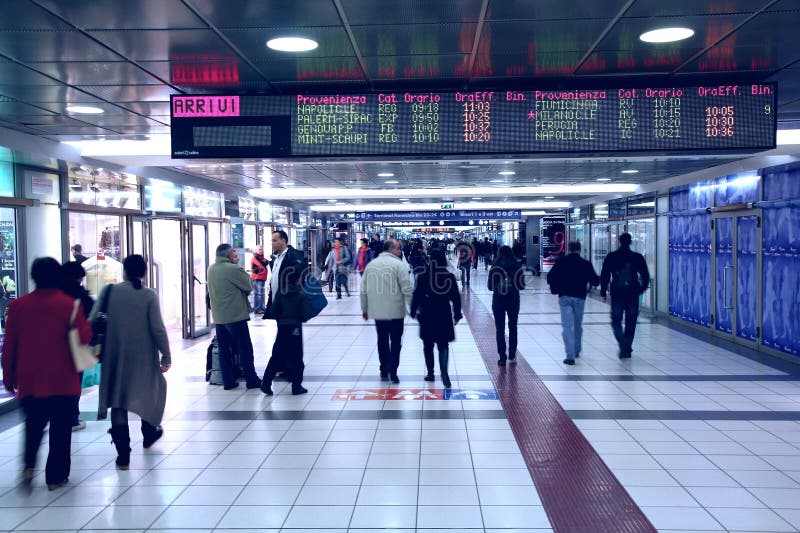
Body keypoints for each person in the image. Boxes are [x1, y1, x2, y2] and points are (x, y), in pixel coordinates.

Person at [2, 258, 92, 490]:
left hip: (30, 379)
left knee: (33, 425)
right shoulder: (70, 305)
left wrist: (8, 378)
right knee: (61, 429)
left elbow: (10, 344)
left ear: (34, 276)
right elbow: (84, 337)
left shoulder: (18, 306)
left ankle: (29, 467)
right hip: (63, 378)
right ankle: (56, 477)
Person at [92, 255, 170, 470]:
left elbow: (92, 321)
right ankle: (149, 432)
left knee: (118, 401)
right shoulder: (148, 295)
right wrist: (166, 354)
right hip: (144, 356)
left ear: (124, 271)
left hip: (114, 356)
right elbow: (157, 329)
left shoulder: (109, 292)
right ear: (144, 272)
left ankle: (123, 455)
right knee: (149, 392)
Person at [207, 244, 262, 390]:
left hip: (219, 317)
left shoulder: (211, 269)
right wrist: (238, 266)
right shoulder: (233, 269)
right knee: (244, 348)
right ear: (228, 255)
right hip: (235, 316)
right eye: (233, 253)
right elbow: (249, 285)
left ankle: (228, 381)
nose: (235, 255)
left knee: (225, 351)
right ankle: (251, 379)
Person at [361, 239, 413, 383]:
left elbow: (363, 290)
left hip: (378, 312)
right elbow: (407, 289)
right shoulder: (399, 265)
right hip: (396, 312)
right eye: (398, 249)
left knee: (382, 341)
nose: (400, 251)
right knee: (396, 342)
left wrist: (365, 309)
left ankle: (384, 369)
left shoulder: (371, 265)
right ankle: (393, 371)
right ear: (391, 249)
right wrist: (413, 307)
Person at [411, 250, 462, 387]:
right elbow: (456, 298)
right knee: (443, 344)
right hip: (443, 314)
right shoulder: (449, 277)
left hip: (427, 315)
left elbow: (416, 296)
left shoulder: (422, 277)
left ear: (429, 261)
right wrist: (457, 315)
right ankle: (444, 374)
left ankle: (430, 373)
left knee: (428, 345)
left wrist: (413, 311)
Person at [261, 265, 312, 396]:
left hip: (282, 327)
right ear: (299, 279)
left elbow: (273, 311)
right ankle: (296, 386)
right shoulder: (301, 294)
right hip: (295, 328)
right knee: (297, 358)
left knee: (276, 356)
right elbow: (305, 315)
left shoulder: (280, 293)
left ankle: (266, 383)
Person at [547, 241, 600, 365]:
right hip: (580, 297)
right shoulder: (585, 263)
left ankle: (570, 355)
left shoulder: (561, 262)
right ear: (579, 250)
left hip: (564, 296)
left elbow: (550, 277)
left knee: (567, 326)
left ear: (568, 249)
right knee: (577, 324)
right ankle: (576, 349)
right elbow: (595, 280)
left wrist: (557, 285)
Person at [600, 233, 651, 359]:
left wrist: (603, 292)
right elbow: (645, 275)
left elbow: (605, 275)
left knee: (616, 320)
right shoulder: (637, 257)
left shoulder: (612, 256)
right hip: (632, 293)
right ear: (630, 242)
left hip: (617, 293)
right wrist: (641, 289)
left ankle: (623, 344)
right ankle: (626, 346)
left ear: (619, 242)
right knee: (631, 321)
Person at [60, 261, 94, 432]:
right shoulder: (78, 295)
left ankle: (54, 416)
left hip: (53, 348)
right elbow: (91, 313)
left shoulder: (55, 291)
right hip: (74, 346)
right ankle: (72, 418)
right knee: (73, 382)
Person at [489, 245, 525, 366]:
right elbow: (522, 285)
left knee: (500, 329)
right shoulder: (516, 265)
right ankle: (512, 354)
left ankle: (502, 357)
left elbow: (490, 286)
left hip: (498, 300)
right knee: (513, 326)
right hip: (513, 300)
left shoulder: (495, 265)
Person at [250, 245, 269, 315]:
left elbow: (266, 262)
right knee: (258, 294)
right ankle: (258, 309)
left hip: (262, 278)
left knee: (261, 294)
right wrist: (262, 266)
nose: (261, 251)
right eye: (259, 249)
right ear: (256, 251)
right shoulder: (255, 258)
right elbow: (261, 265)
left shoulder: (261, 258)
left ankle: (261, 307)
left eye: (262, 249)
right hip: (257, 278)